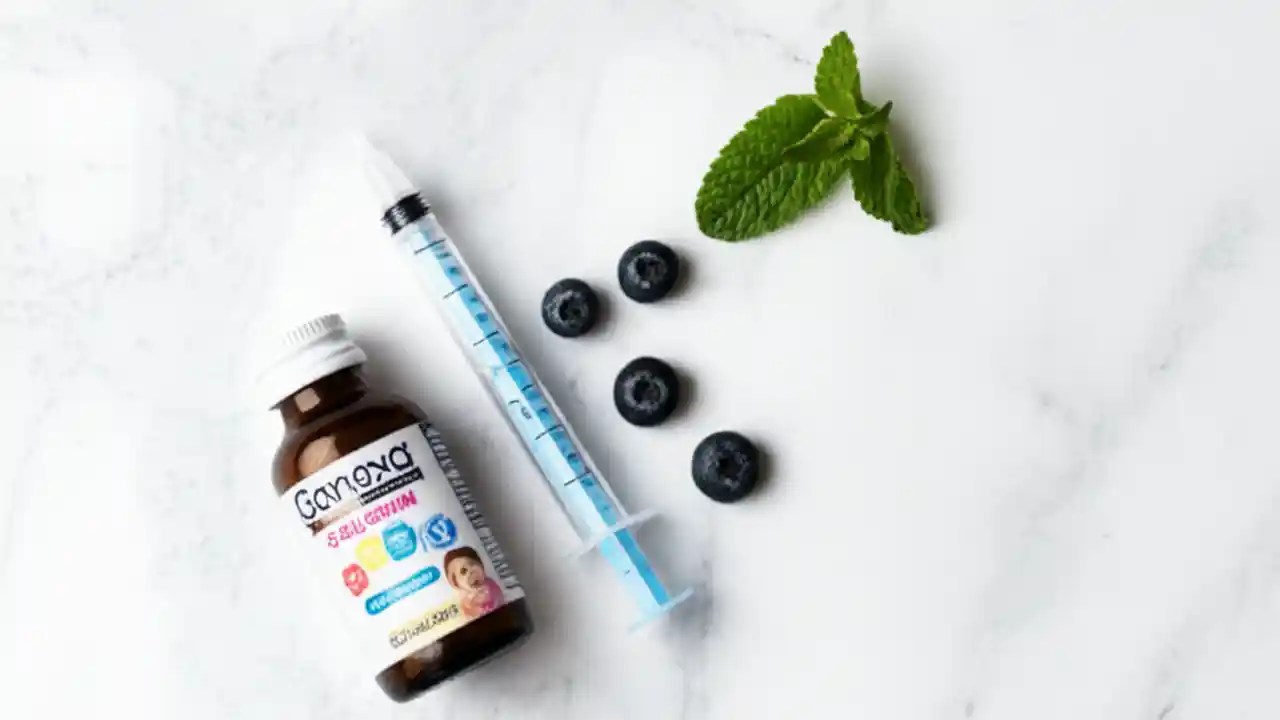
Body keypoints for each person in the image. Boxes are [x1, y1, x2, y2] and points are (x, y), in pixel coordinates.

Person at [443, 546, 502, 619]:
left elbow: (500, 596)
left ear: (481, 564)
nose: (471, 571)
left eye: (473, 565)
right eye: (463, 571)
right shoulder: (466, 601)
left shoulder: (491, 584)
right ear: (455, 583)